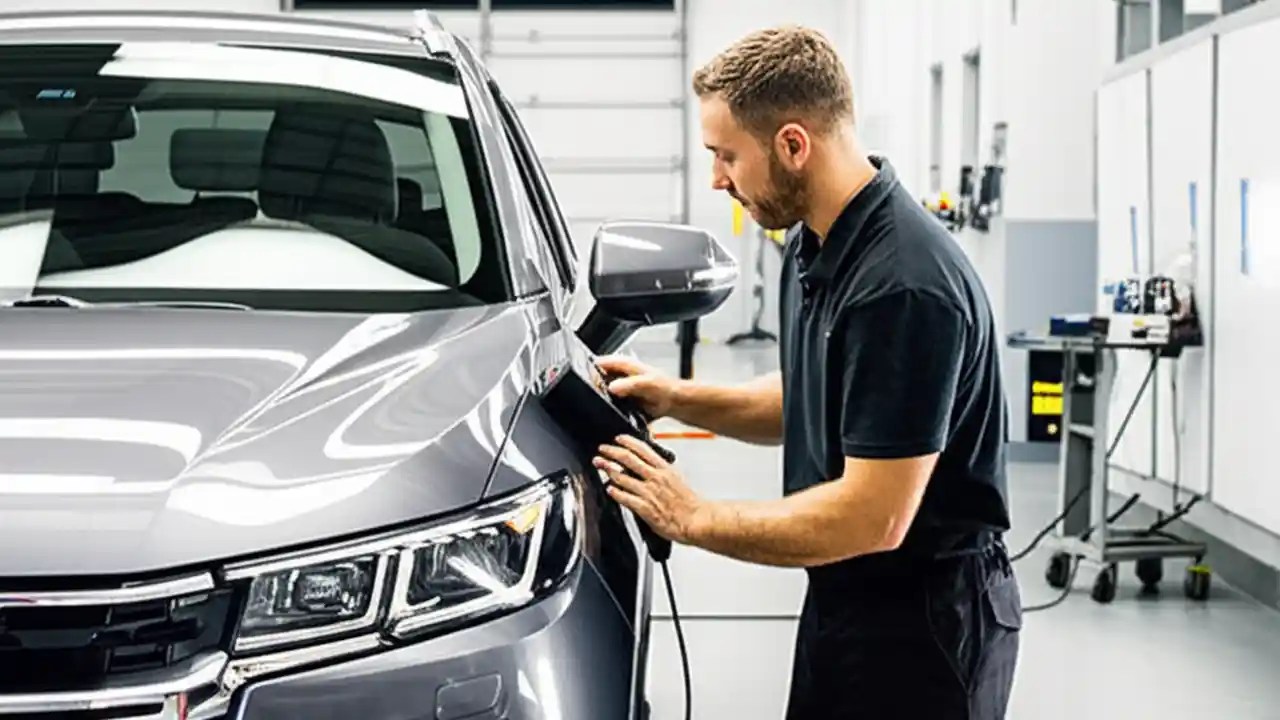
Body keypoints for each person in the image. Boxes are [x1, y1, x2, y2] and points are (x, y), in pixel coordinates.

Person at [592, 24, 1022, 719]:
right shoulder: (813, 244)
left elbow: (872, 516)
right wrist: (677, 398)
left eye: (726, 155)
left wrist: (694, 516)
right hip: (845, 601)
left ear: (793, 144)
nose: (716, 178)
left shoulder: (903, 286)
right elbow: (815, 400)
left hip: (925, 627)